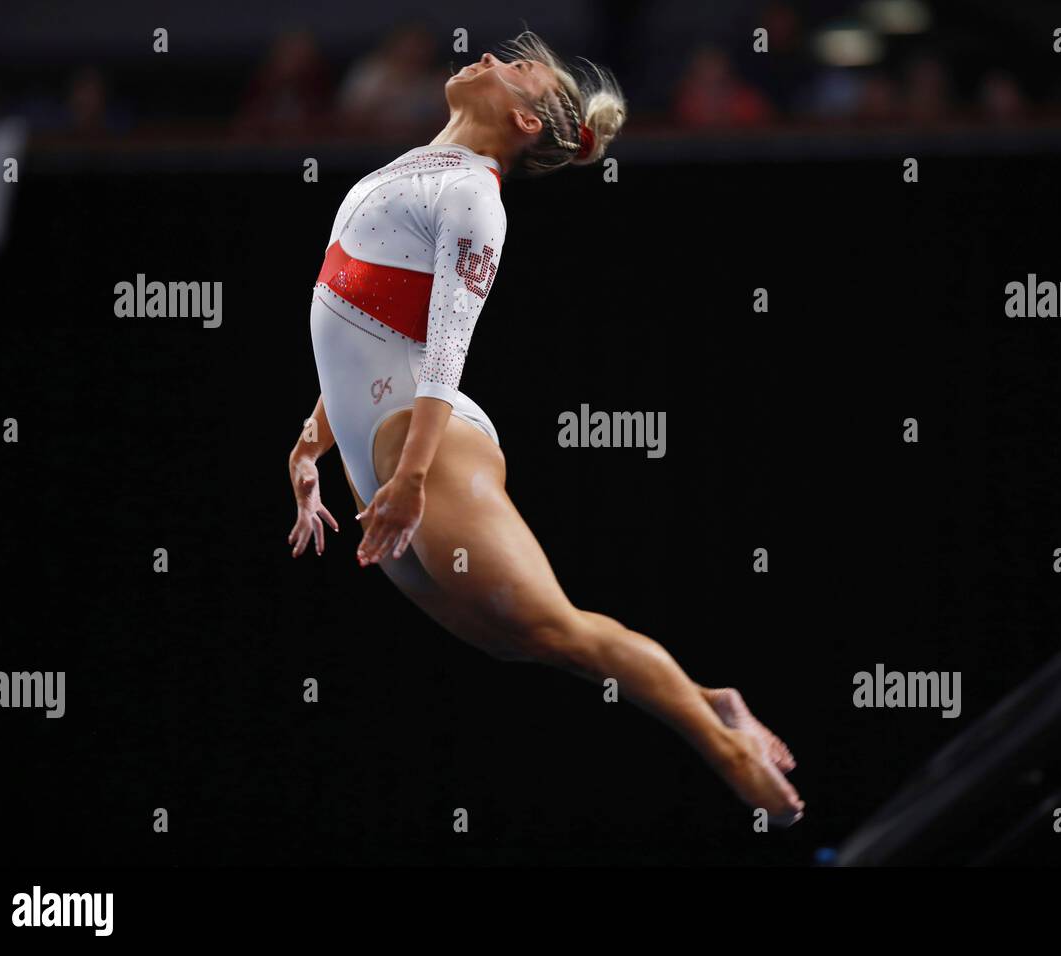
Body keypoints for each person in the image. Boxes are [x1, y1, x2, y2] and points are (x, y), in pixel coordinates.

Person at [287, 30, 804, 826]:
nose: (486, 59)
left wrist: (413, 480)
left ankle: (725, 741)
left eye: (511, 66)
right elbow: (370, 317)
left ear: (526, 121)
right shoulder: (408, 172)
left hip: (420, 450)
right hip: (381, 452)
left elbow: (448, 349)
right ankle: (706, 697)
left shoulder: (473, 199)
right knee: (514, 642)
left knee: (558, 627)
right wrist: (313, 437)